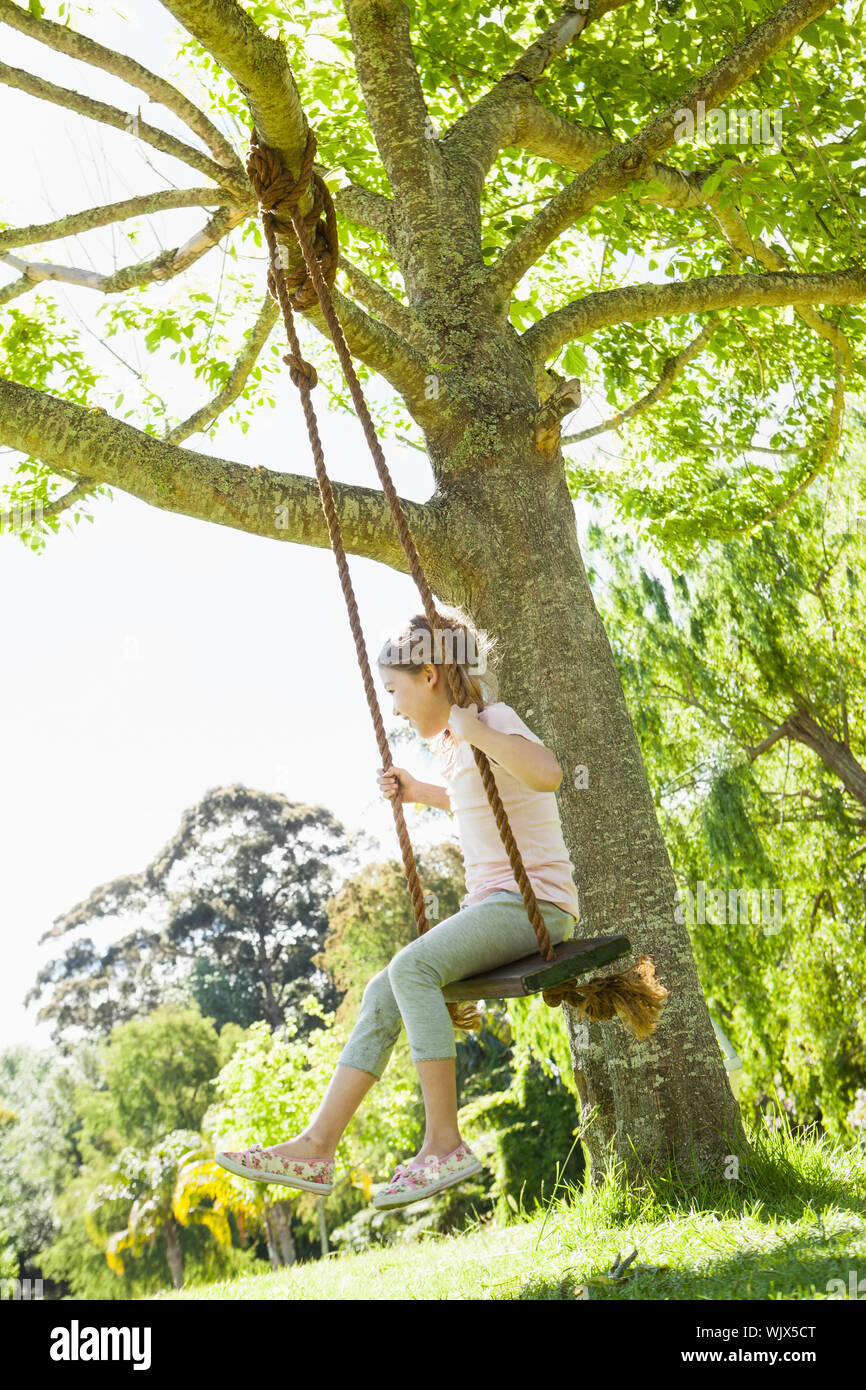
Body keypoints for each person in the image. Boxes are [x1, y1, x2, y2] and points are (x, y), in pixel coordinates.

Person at [216, 605, 580, 1209]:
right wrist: (419, 792)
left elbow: (547, 775)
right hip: (498, 904)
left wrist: (475, 729)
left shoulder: (490, 719)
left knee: (412, 968)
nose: (395, 707)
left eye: (396, 690)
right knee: (387, 987)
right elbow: (482, 804)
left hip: (533, 905)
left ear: (431, 674)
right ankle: (316, 1146)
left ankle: (444, 1143)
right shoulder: (458, 743)